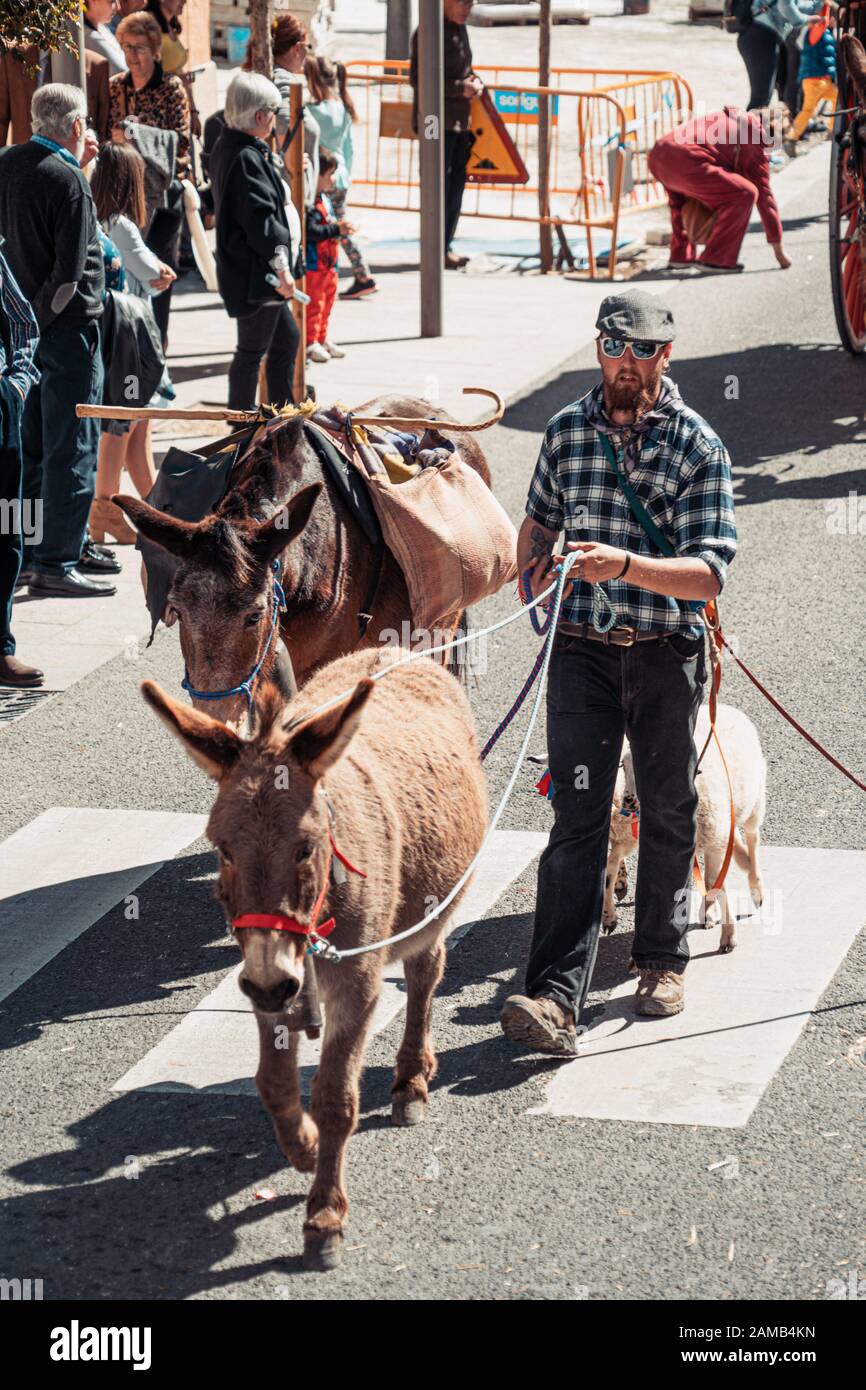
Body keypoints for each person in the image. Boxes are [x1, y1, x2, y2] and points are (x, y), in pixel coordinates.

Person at [500, 291, 738, 1054]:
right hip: (581, 652)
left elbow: (707, 575)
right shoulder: (567, 431)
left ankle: (661, 961)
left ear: (665, 358)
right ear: (598, 348)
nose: (625, 365)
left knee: (668, 807)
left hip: (666, 653)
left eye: (642, 352)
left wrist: (624, 565)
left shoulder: (700, 447)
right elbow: (539, 517)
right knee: (577, 819)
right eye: (614, 348)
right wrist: (530, 561)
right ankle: (552, 997)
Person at [0, 84, 116, 599]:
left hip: (17, 332)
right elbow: (68, 277)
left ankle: (25, 553)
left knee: (27, 447)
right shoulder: (67, 179)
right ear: (74, 125)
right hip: (62, 332)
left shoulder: (7, 163)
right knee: (71, 444)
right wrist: (38, 319)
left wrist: (21, 320)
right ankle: (58, 559)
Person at [90, 142, 176, 544]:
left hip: (116, 335)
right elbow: (153, 272)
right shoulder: (121, 226)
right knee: (122, 425)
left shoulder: (98, 218)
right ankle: (107, 507)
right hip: (131, 338)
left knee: (136, 426)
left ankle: (153, 511)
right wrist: (162, 270)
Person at [210, 71, 302, 412]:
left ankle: (281, 422)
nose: (276, 121)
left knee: (284, 341)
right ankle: (241, 429)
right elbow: (262, 222)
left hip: (252, 272)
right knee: (251, 353)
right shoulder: (245, 156)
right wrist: (282, 268)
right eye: (274, 113)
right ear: (260, 115)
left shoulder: (234, 146)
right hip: (255, 275)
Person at [109, 9, 190, 347]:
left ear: (155, 50)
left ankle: (156, 353)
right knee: (126, 276)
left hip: (163, 201)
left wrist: (138, 136)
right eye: (126, 47)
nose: (132, 55)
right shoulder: (114, 87)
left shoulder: (172, 88)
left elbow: (180, 141)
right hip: (123, 199)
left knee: (158, 280)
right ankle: (130, 354)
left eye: (140, 47)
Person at [648, 107, 791, 273]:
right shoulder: (755, 136)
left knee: (679, 203)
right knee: (745, 194)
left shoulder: (730, 117)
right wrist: (779, 250)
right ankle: (716, 259)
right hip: (688, 158)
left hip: (658, 153)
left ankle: (680, 256)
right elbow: (765, 197)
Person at [410, 0, 483, 269]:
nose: (468, 8)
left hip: (460, 122)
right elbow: (420, 78)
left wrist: (475, 82)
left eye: (471, 3)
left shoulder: (460, 30)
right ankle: (435, 247)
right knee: (436, 186)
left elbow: (464, 69)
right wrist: (458, 88)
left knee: (455, 186)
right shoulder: (429, 32)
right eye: (463, 2)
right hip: (436, 121)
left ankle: (445, 245)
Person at [0, 244, 41, 686]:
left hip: (1, 411)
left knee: (9, 528)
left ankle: (1, 645)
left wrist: (18, 384)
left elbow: (22, 320)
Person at [305, 54, 377, 301]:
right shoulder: (342, 108)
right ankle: (361, 273)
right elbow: (350, 148)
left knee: (332, 227)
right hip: (341, 174)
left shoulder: (311, 111)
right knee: (340, 225)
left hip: (322, 176)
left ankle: (360, 274)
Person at [737, 0, 822, 112]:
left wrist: (819, 4)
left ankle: (754, 127)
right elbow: (785, 6)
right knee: (761, 98)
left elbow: (796, 6)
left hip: (763, 36)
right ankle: (748, 128)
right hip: (761, 36)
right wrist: (806, 19)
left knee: (765, 96)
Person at [306, 150, 348, 364]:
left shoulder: (325, 199)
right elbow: (311, 231)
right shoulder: (312, 204)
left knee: (328, 302)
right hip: (315, 265)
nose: (333, 179)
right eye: (330, 174)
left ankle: (321, 338)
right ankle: (310, 341)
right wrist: (335, 230)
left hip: (329, 264)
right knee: (315, 304)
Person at [788, 4, 837, 144]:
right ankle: (791, 138)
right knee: (808, 110)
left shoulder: (825, 33)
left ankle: (832, 130)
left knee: (837, 99)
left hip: (823, 81)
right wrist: (826, 5)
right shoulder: (815, 31)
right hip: (814, 80)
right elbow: (823, 22)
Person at [84, 0, 128, 76]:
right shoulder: (88, 36)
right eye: (112, 1)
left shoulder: (101, 27)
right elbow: (121, 71)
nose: (118, 7)